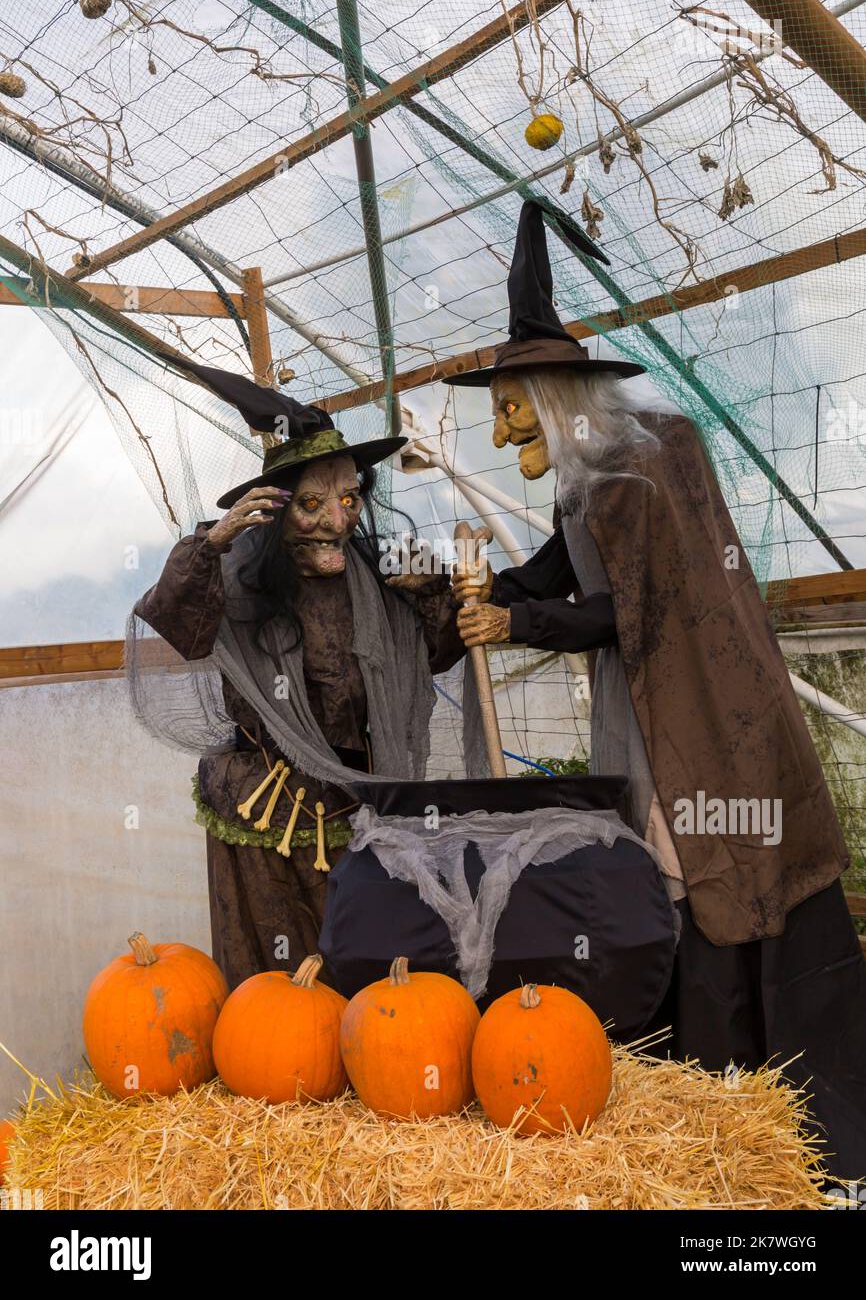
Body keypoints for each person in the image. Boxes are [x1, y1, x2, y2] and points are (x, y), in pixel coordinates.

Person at [445, 200, 866, 1179]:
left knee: (725, 883)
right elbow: (560, 570)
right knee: (673, 886)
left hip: (715, 728)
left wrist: (512, 623)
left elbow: (633, 607)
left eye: (509, 407)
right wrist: (469, 594)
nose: (502, 431)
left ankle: (783, 1131)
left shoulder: (643, 456)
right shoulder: (590, 471)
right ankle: (705, 1105)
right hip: (658, 729)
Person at [130, 368, 462, 989]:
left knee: (366, 965)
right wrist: (212, 542)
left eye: (348, 499)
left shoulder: (379, 578)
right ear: (273, 512)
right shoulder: (238, 584)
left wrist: (430, 594)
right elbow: (178, 626)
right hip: (270, 803)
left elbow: (438, 656)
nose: (335, 521)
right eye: (310, 504)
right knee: (287, 980)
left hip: (360, 798)